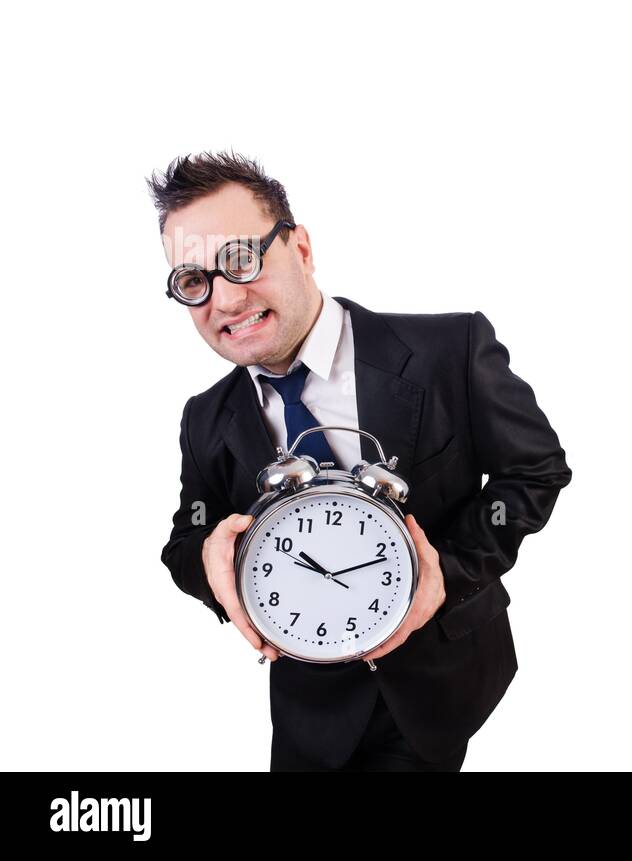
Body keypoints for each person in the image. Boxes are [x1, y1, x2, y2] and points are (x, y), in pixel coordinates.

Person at [152, 152, 571, 771]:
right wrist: (210, 555)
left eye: (240, 259)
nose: (226, 298)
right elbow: (186, 539)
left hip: (446, 673)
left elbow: (534, 470)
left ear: (300, 248)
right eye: (194, 281)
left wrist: (444, 575)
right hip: (311, 707)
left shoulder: (448, 350)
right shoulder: (205, 417)